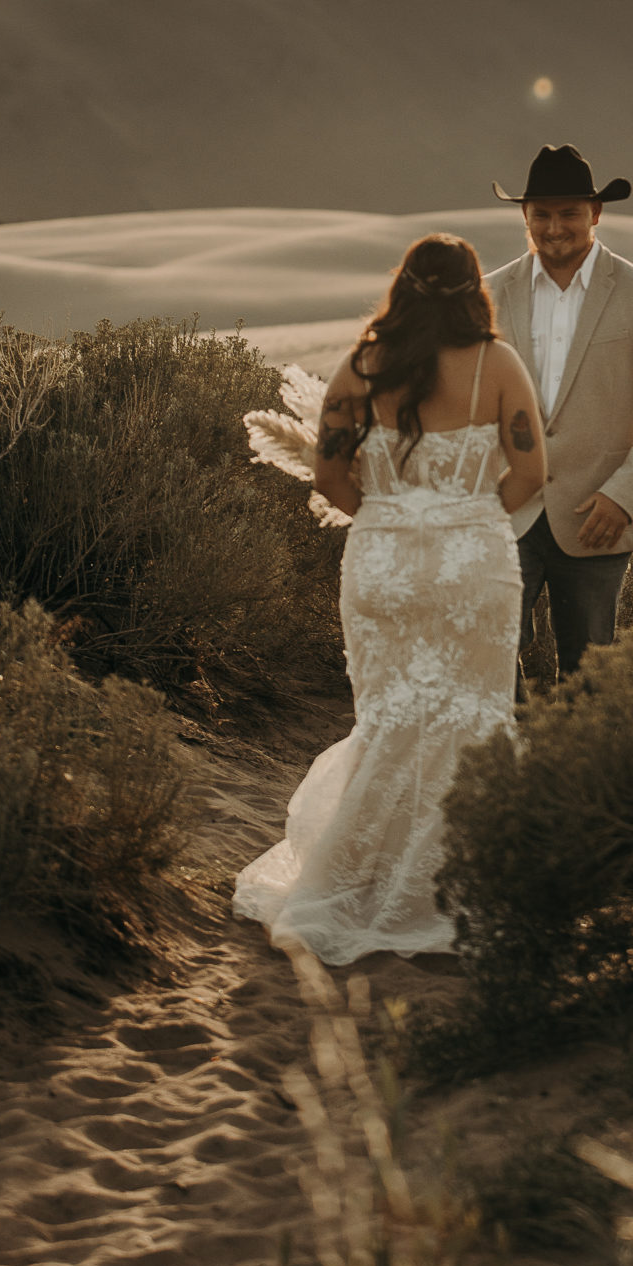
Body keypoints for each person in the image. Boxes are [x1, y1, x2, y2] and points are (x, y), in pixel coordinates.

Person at [233, 233, 546, 967]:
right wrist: (467, 512)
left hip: (385, 566)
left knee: (390, 718)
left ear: (402, 289)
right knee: (472, 718)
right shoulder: (499, 365)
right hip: (474, 564)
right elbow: (533, 471)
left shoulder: (361, 367)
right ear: (476, 293)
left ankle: (355, 885)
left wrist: (394, 512)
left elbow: (329, 480)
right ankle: (457, 890)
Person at [488, 144, 633, 684]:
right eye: (542, 215)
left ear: (595, 214)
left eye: (569, 214)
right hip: (506, 510)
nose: (555, 228)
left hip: (598, 517)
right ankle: (507, 763)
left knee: (591, 676)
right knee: (486, 653)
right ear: (525, 216)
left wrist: (623, 496)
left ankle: (570, 767)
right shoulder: (489, 293)